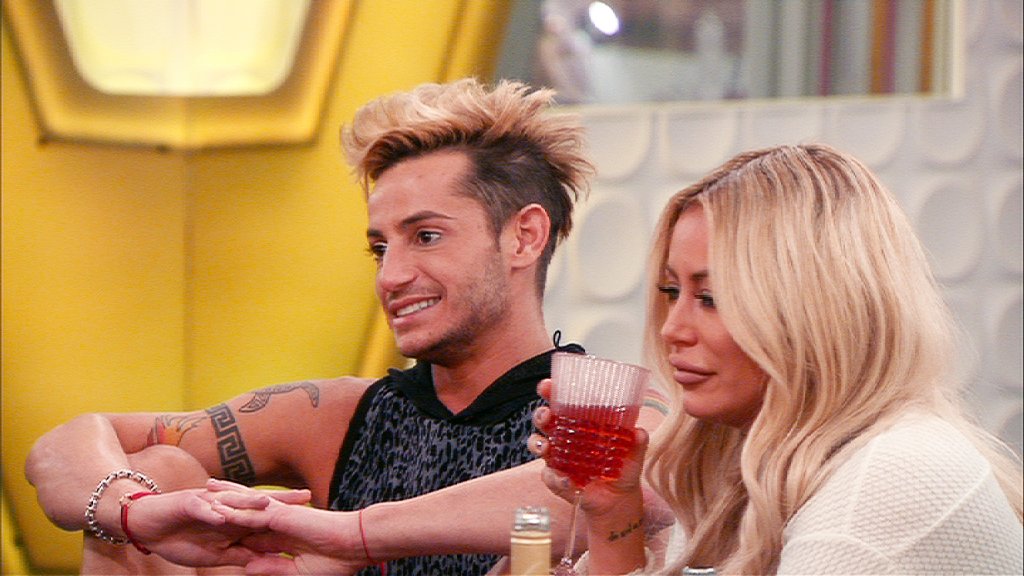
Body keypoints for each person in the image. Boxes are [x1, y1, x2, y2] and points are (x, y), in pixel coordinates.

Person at [25, 78, 667, 575]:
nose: (392, 276)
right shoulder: (332, 416)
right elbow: (67, 444)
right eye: (380, 248)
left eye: (426, 236)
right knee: (158, 469)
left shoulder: (603, 411)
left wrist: (352, 535)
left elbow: (620, 491)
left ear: (523, 236)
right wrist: (135, 511)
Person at [531, 143, 1024, 575]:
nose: (671, 330)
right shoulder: (745, 459)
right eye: (672, 291)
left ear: (816, 311)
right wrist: (613, 515)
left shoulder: (885, 484)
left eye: (711, 298)